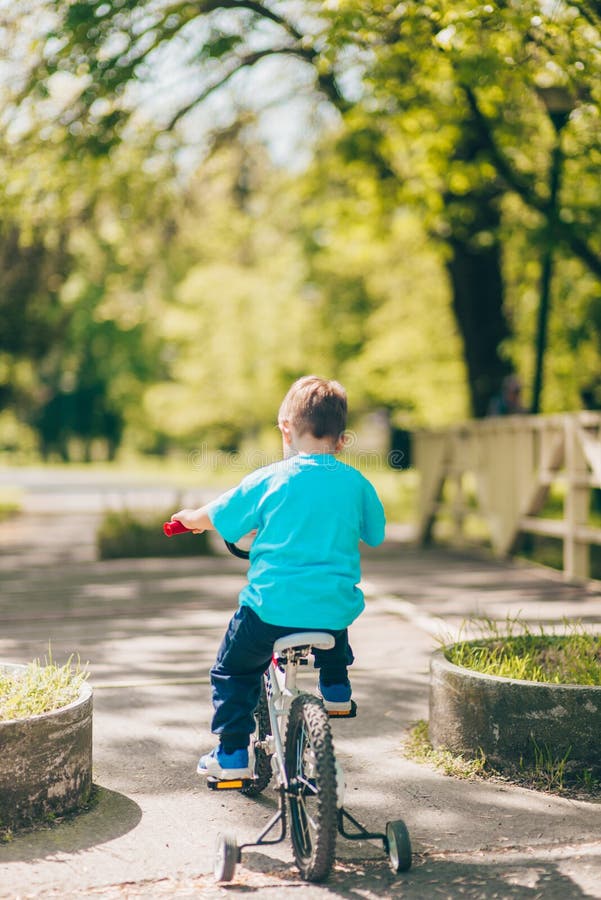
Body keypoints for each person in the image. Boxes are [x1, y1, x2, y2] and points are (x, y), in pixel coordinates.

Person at [171, 375, 386, 780]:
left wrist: (191, 521)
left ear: (286, 429)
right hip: (332, 612)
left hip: (269, 612)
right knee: (330, 610)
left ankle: (233, 754)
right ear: (341, 441)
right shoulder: (357, 483)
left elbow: (219, 512)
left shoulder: (269, 478)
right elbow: (375, 534)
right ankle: (336, 689)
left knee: (232, 671)